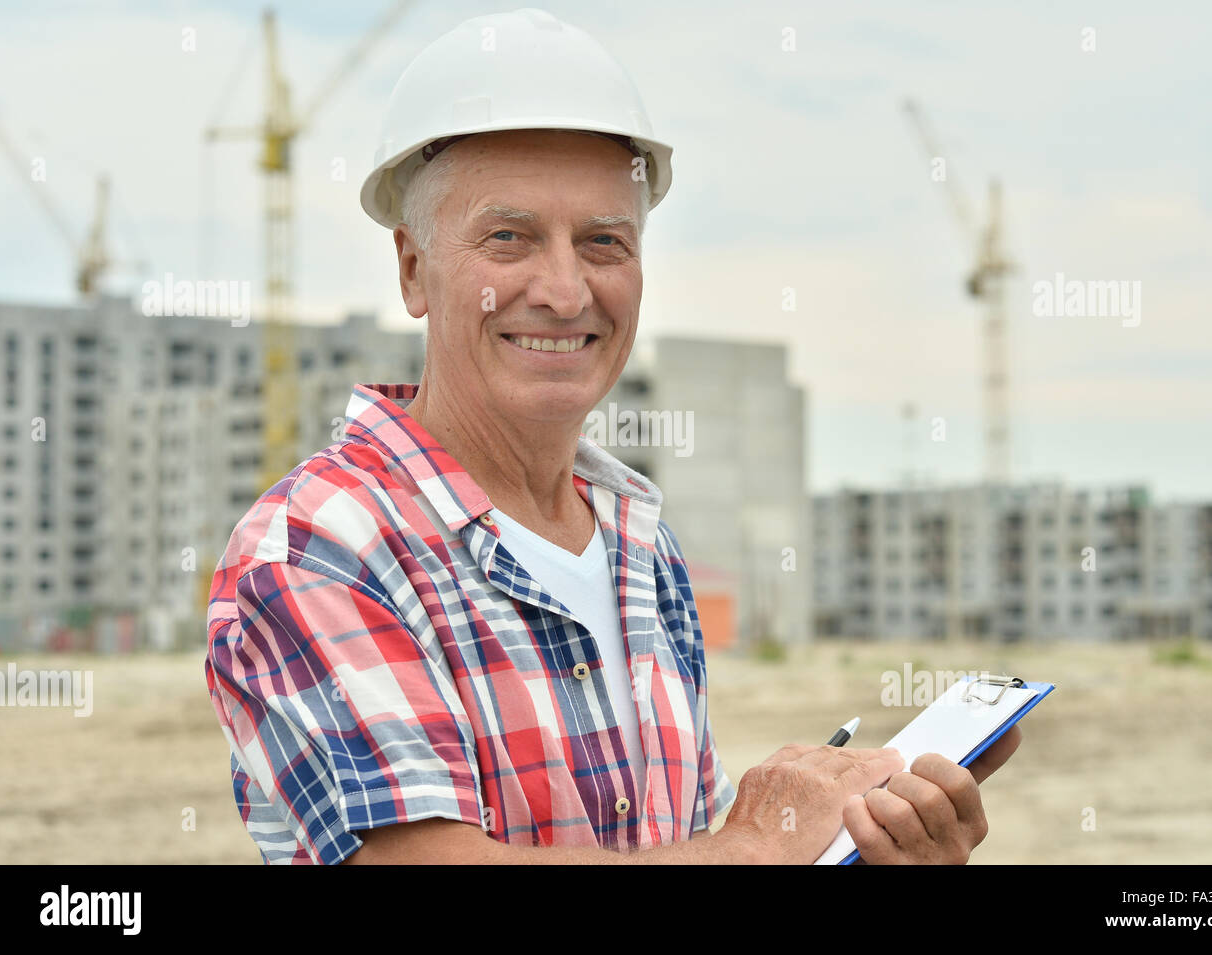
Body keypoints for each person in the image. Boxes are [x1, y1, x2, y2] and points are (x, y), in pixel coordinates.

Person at [205, 8, 1019, 865]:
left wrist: (855, 850)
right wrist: (751, 848)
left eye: (603, 242)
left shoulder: (641, 545)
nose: (564, 290)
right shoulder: (319, 545)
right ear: (413, 268)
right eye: (509, 237)